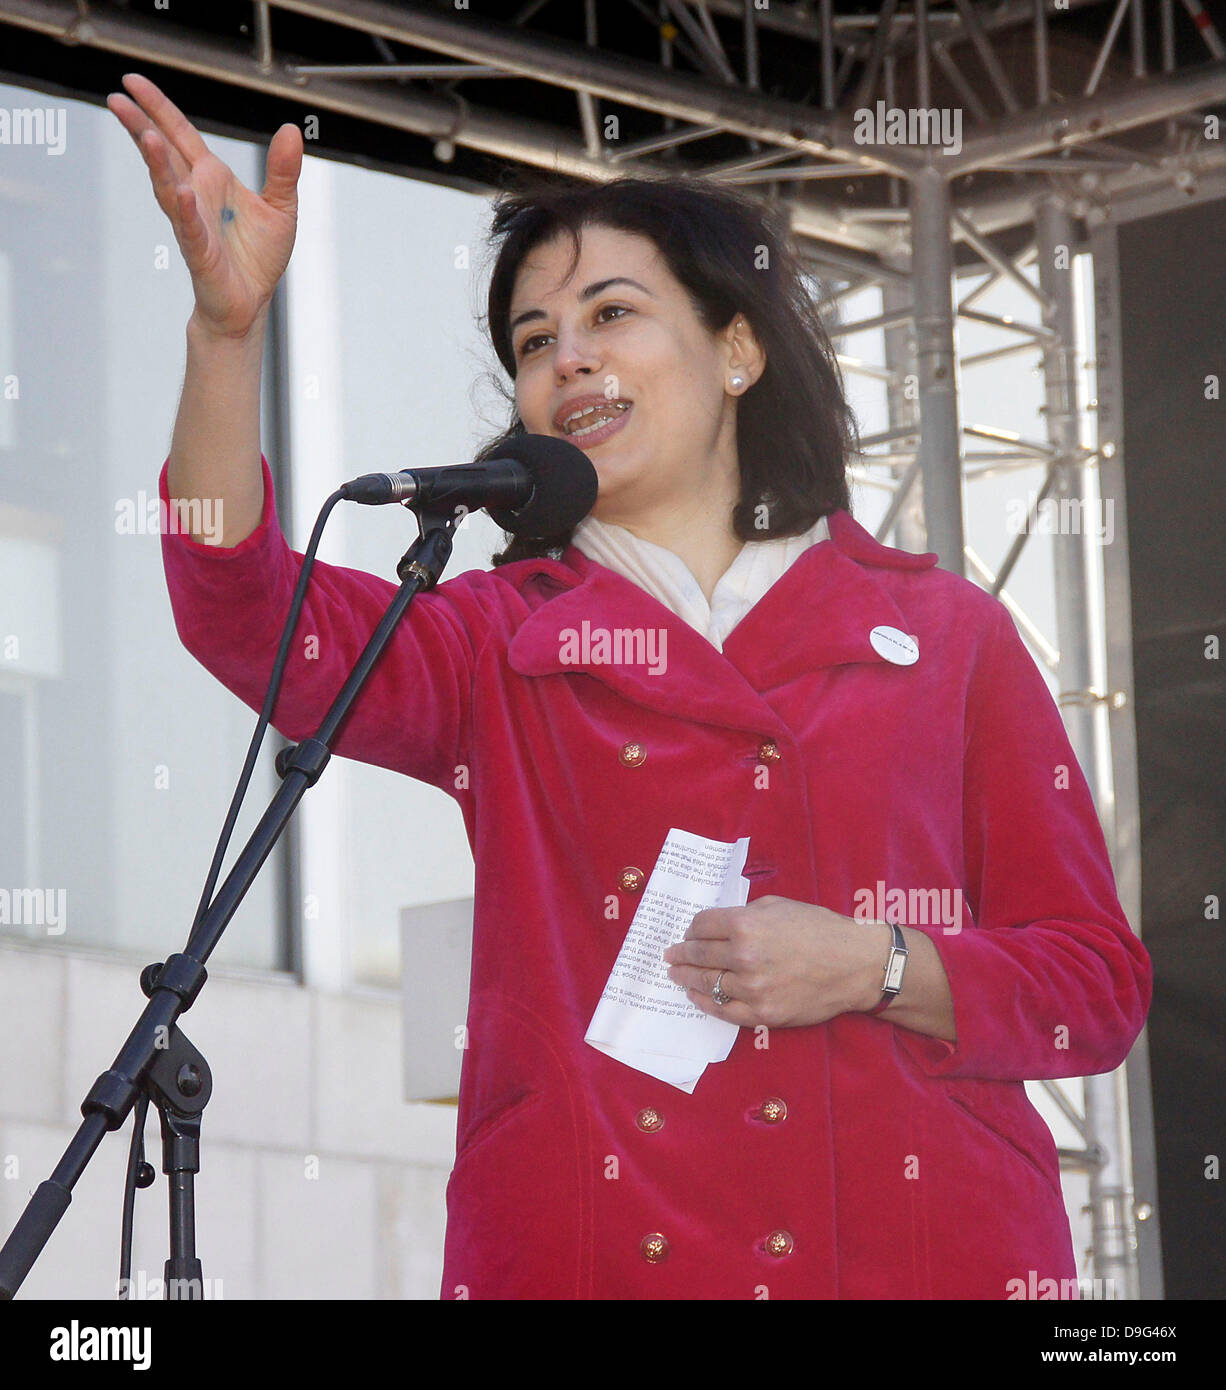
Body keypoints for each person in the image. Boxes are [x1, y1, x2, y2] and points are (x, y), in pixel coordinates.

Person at [109, 73, 1152, 1300]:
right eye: (535, 342)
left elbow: (1093, 988)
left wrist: (872, 965)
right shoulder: (495, 642)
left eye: (612, 314)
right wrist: (225, 340)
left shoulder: (944, 632)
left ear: (737, 348)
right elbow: (243, 613)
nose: (570, 359)